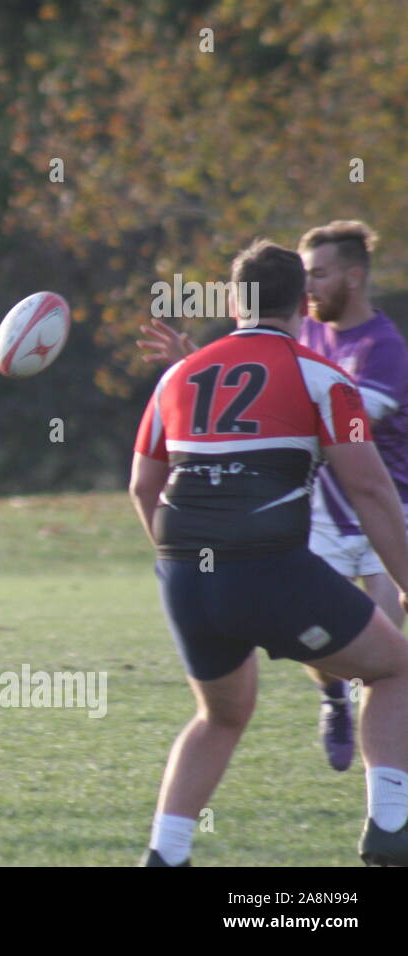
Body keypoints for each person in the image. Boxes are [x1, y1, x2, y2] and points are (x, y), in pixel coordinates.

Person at [131, 241, 408, 865]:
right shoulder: (324, 377)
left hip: (183, 574)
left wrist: (185, 566)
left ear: (233, 303)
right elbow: (368, 486)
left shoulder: (178, 374)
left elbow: (143, 485)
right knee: (393, 670)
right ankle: (391, 831)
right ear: (304, 304)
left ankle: (166, 854)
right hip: (267, 567)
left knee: (221, 716)